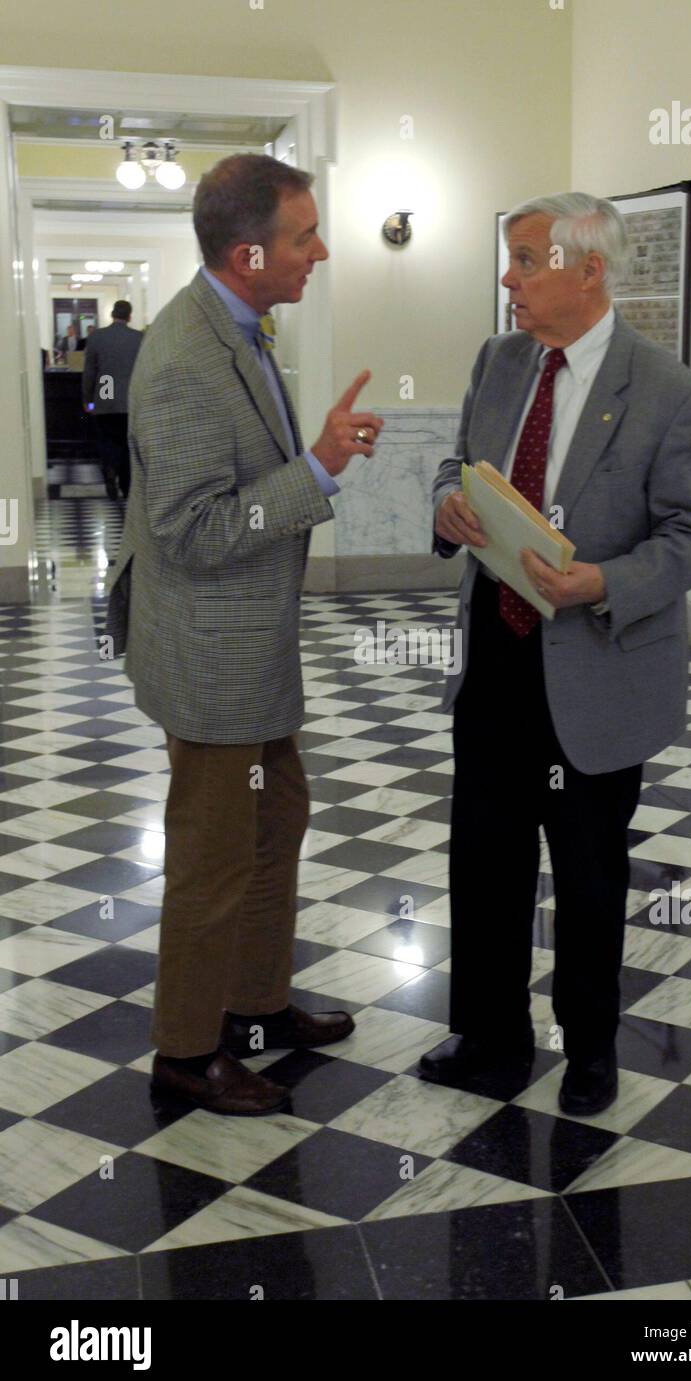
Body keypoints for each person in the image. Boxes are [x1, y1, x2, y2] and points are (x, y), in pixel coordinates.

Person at [420, 192, 691, 1117]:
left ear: (588, 271)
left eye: (526, 261)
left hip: (595, 666)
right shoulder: (500, 360)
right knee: (484, 857)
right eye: (509, 260)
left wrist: (605, 583)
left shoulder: (666, 389)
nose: (509, 279)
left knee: (590, 872)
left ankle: (591, 1050)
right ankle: (490, 1039)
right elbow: (455, 464)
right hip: (500, 662)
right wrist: (447, 505)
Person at [104, 153, 384, 1116]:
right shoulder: (184, 358)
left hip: (250, 651)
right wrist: (319, 471)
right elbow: (191, 532)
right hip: (213, 662)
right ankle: (186, 1051)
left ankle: (257, 1008)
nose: (320, 252)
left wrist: (316, 461)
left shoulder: (239, 328)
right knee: (214, 857)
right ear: (247, 249)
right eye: (304, 236)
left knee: (278, 821)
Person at [82, 302, 142, 500]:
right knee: (127, 443)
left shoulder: (97, 337)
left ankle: (109, 471)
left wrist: (88, 400)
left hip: (106, 392)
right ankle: (126, 484)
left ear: (112, 314)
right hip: (130, 398)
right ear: (129, 316)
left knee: (107, 439)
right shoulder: (139, 338)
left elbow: (90, 372)